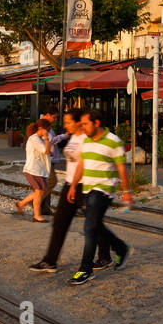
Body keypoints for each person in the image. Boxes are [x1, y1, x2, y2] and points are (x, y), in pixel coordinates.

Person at [66, 109, 132, 286]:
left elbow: (121, 168)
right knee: (95, 226)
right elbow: (81, 164)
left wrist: (127, 191)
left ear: (96, 123)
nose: (83, 127)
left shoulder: (114, 142)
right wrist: (73, 186)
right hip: (87, 189)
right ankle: (121, 248)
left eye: (85, 124)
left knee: (89, 228)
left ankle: (85, 269)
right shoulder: (87, 140)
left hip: (103, 190)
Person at [28, 109, 99, 273]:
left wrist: (75, 185)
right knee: (59, 223)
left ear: (78, 122)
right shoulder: (73, 136)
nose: (65, 125)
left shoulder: (86, 138)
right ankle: (50, 261)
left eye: (68, 122)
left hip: (84, 186)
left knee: (94, 225)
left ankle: (109, 253)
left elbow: (84, 163)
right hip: (71, 184)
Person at [14, 121, 51, 222]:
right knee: (40, 191)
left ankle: (21, 204)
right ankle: (36, 215)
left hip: (38, 170)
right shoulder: (34, 138)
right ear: (40, 128)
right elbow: (45, 150)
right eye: (47, 129)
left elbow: (45, 151)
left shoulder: (38, 139)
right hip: (33, 169)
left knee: (41, 191)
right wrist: (47, 138)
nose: (48, 131)